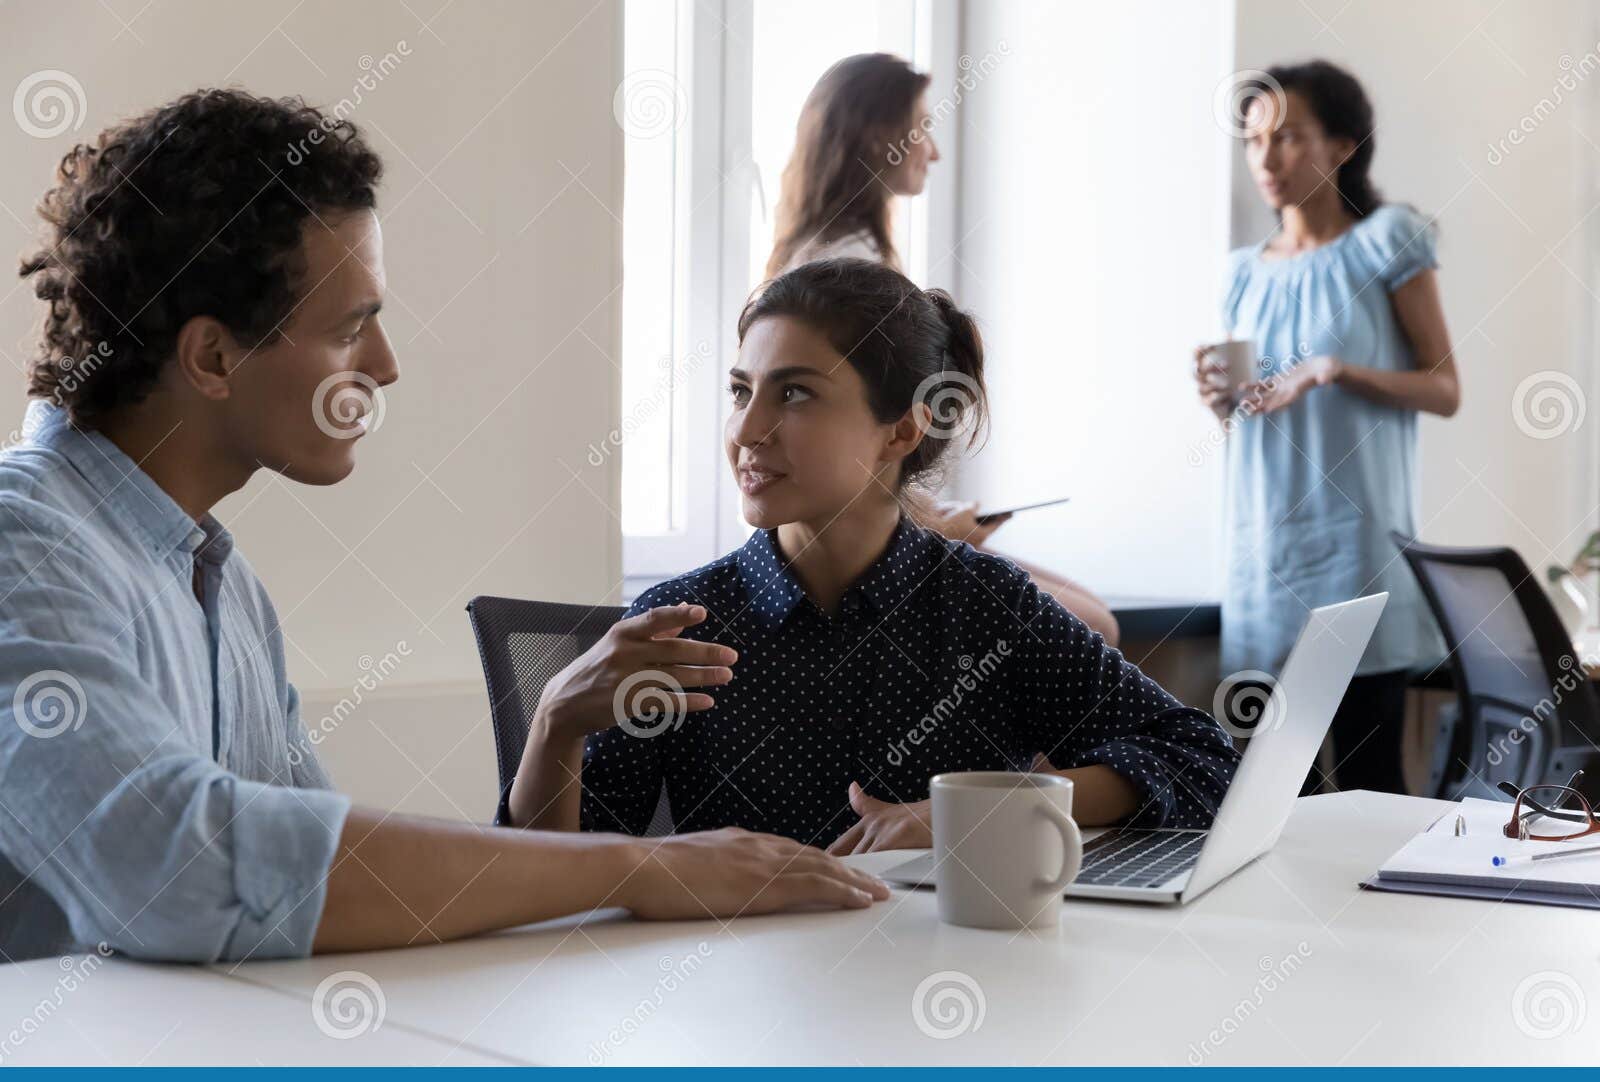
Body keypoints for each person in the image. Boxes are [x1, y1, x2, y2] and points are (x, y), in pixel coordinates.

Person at [0, 89, 889, 965]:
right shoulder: (24, 545)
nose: (385, 367)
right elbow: (177, 870)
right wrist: (642, 866)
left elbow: (309, 877)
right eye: (352, 329)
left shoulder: (221, 584)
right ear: (213, 356)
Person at [503, 257, 1240, 852]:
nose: (747, 429)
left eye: (793, 394)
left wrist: (981, 813)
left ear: (901, 431)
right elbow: (551, 884)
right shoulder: (683, 624)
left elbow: (1204, 759)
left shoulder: (986, 604)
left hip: (957, 995)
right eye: (740, 390)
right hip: (735, 1001)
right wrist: (556, 721)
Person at [766, 53, 1119, 643]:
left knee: (1088, 615)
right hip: (855, 539)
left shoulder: (828, 258)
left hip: (871, 520)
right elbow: (857, 448)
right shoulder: (848, 276)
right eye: (924, 128)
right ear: (882, 137)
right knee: (1093, 624)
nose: (934, 150)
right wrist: (932, 523)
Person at [1193, 61, 1460, 794]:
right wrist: (1219, 398)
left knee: (1373, 792)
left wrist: (1334, 368)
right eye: (1253, 141)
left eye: (1287, 137)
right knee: (1269, 803)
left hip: (1357, 562)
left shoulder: (1388, 241)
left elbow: (1445, 388)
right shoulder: (1241, 272)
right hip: (1261, 562)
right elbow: (1249, 410)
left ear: (1342, 146)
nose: (1266, 159)